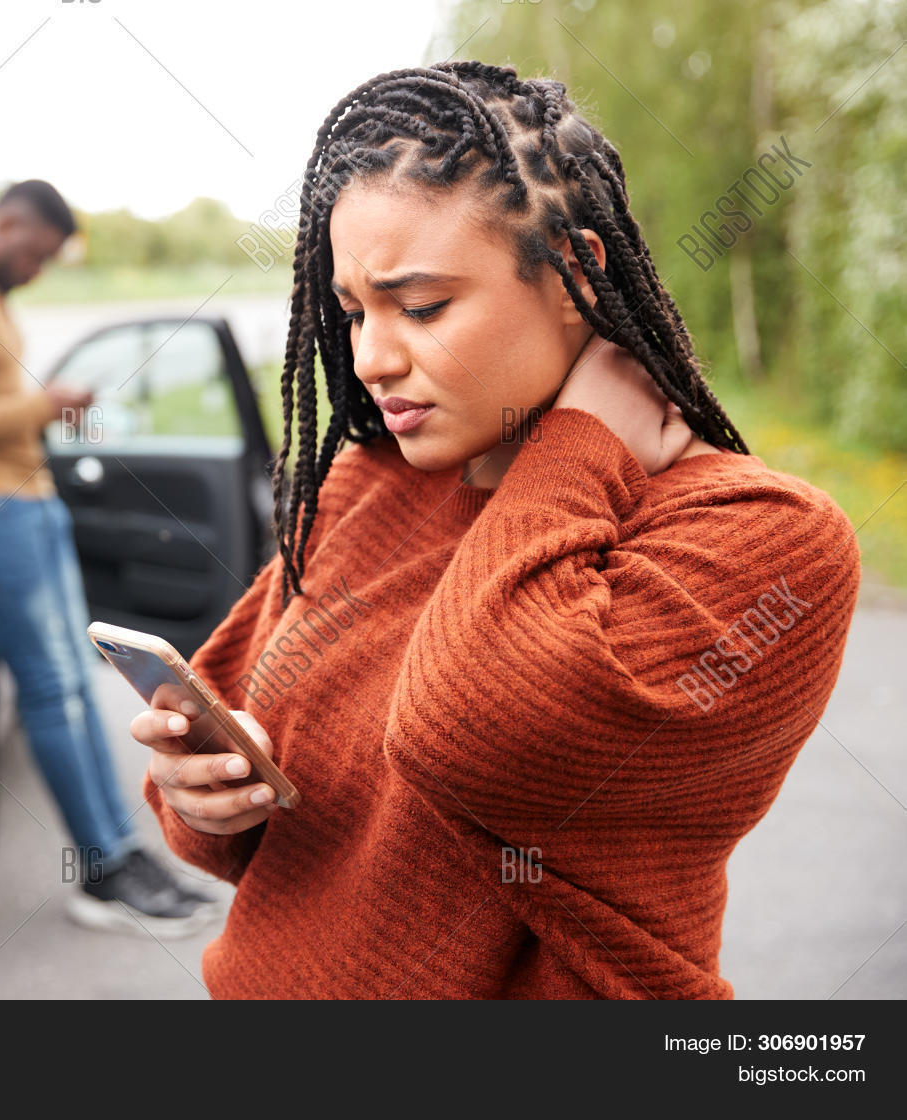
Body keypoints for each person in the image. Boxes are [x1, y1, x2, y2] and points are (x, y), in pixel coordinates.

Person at [132, 62, 861, 997]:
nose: (370, 358)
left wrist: (575, 447)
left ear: (576, 275)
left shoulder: (763, 539)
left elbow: (472, 736)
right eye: (353, 312)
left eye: (422, 307)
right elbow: (254, 816)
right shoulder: (364, 488)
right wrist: (211, 803)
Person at [0, 179, 216, 935]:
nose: (35, 271)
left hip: (25, 502)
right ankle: (103, 873)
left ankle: (123, 853)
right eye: (32, 254)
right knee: (52, 688)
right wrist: (40, 404)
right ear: (6, 224)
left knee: (77, 682)